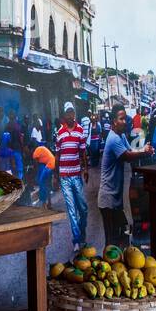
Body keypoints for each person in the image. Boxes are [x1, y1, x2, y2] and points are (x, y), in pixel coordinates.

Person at [98, 105, 153, 249]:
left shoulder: (121, 136)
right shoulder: (113, 139)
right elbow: (127, 156)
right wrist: (145, 152)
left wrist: (143, 149)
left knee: (122, 236)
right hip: (107, 199)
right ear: (114, 121)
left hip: (115, 200)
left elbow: (131, 150)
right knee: (112, 241)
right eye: (121, 119)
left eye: (124, 118)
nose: (125, 121)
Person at [54, 101, 90, 248]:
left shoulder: (80, 130)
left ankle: (82, 233)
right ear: (64, 115)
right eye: (68, 113)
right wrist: (56, 176)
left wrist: (86, 169)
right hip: (64, 177)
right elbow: (57, 156)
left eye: (72, 112)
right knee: (72, 209)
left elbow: (82, 152)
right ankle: (76, 240)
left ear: (74, 114)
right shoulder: (60, 133)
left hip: (76, 175)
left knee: (83, 208)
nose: (70, 115)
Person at [31, 141, 55, 209]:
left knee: (42, 184)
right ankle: (49, 203)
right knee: (48, 184)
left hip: (48, 166)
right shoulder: (42, 150)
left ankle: (44, 204)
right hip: (51, 164)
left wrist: (35, 172)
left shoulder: (36, 152)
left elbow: (35, 164)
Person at [5, 110, 25, 179]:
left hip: (9, 150)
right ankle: (20, 182)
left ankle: (14, 184)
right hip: (17, 150)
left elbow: (5, 139)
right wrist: (22, 149)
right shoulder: (17, 126)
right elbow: (21, 139)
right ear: (15, 117)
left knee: (12, 168)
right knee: (19, 168)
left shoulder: (7, 126)